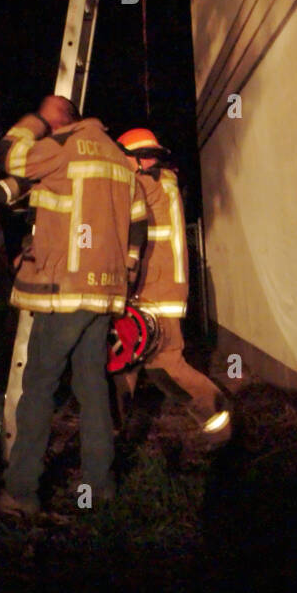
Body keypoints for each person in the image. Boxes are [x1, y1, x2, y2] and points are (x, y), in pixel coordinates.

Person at [0, 95, 147, 516]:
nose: (46, 124)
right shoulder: (120, 158)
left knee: (39, 387)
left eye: (50, 115)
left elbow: (11, 155)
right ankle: (100, 486)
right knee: (93, 389)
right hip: (103, 294)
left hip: (65, 291)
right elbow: (138, 221)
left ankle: (21, 491)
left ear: (61, 117)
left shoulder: (61, 147)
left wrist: (32, 120)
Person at [115, 128, 231, 440]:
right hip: (157, 288)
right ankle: (110, 435)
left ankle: (220, 419)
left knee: (165, 364)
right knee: (125, 359)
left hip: (154, 290)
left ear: (139, 160)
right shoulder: (161, 182)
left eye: (122, 158)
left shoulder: (144, 184)